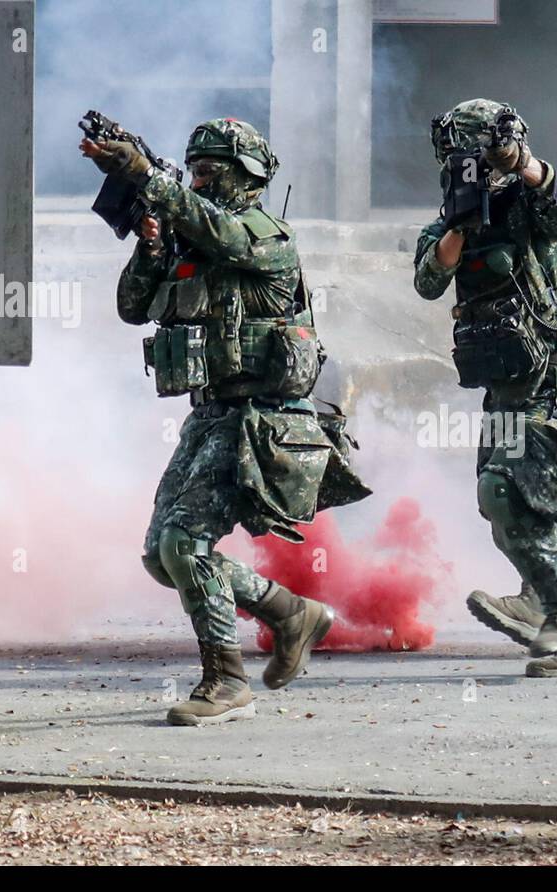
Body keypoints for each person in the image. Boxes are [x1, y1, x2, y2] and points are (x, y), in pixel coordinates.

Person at [81, 118, 368, 725]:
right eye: (196, 169)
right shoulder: (192, 238)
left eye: (211, 169)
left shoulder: (263, 235)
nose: (200, 179)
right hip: (210, 415)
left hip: (263, 420)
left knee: (187, 543)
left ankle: (226, 681)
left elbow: (222, 235)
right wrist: (152, 242)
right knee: (163, 555)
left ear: (245, 176)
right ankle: (291, 612)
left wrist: (147, 177)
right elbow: (133, 307)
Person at [413, 99, 557, 677]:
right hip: (505, 386)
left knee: (507, 493)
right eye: (460, 159)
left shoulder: (534, 209)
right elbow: (429, 280)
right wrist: (459, 222)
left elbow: (556, 196)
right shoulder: (452, 218)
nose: (470, 168)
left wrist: (520, 162)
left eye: (478, 157)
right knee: (511, 511)